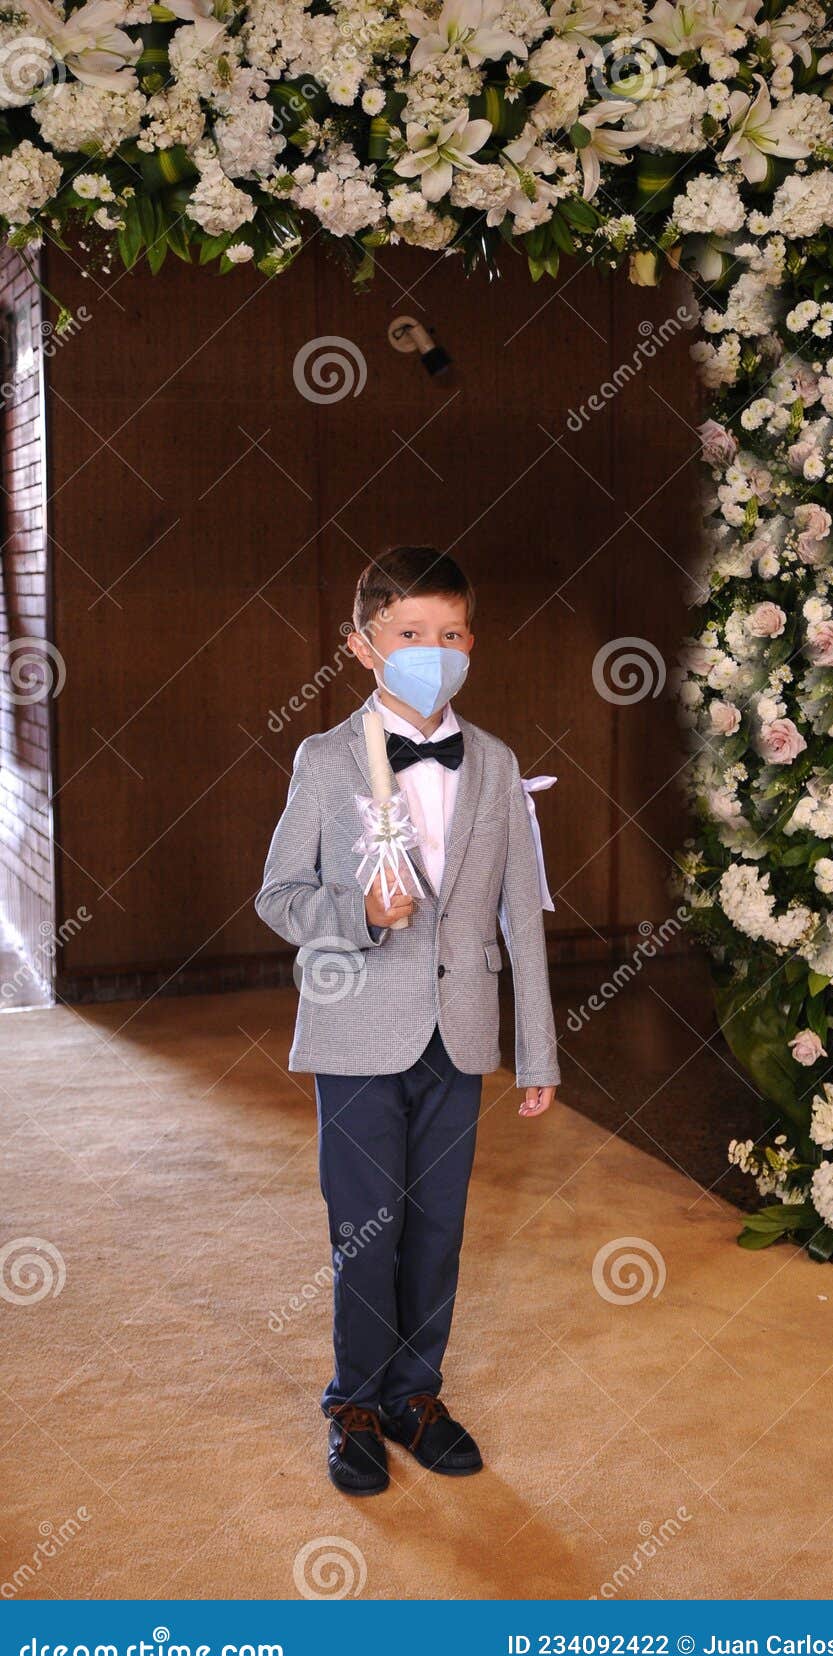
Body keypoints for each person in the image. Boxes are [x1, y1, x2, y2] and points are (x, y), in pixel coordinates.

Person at [255, 545, 560, 1495]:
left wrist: (537, 1048)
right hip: (356, 1029)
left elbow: (522, 914)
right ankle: (352, 1400)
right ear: (361, 646)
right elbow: (277, 895)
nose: (436, 650)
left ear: (472, 640)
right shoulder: (324, 758)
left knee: (437, 1226)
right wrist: (357, 915)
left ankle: (413, 1395)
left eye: (452, 633)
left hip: (459, 1031)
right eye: (410, 635)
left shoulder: (499, 764)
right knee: (366, 1227)